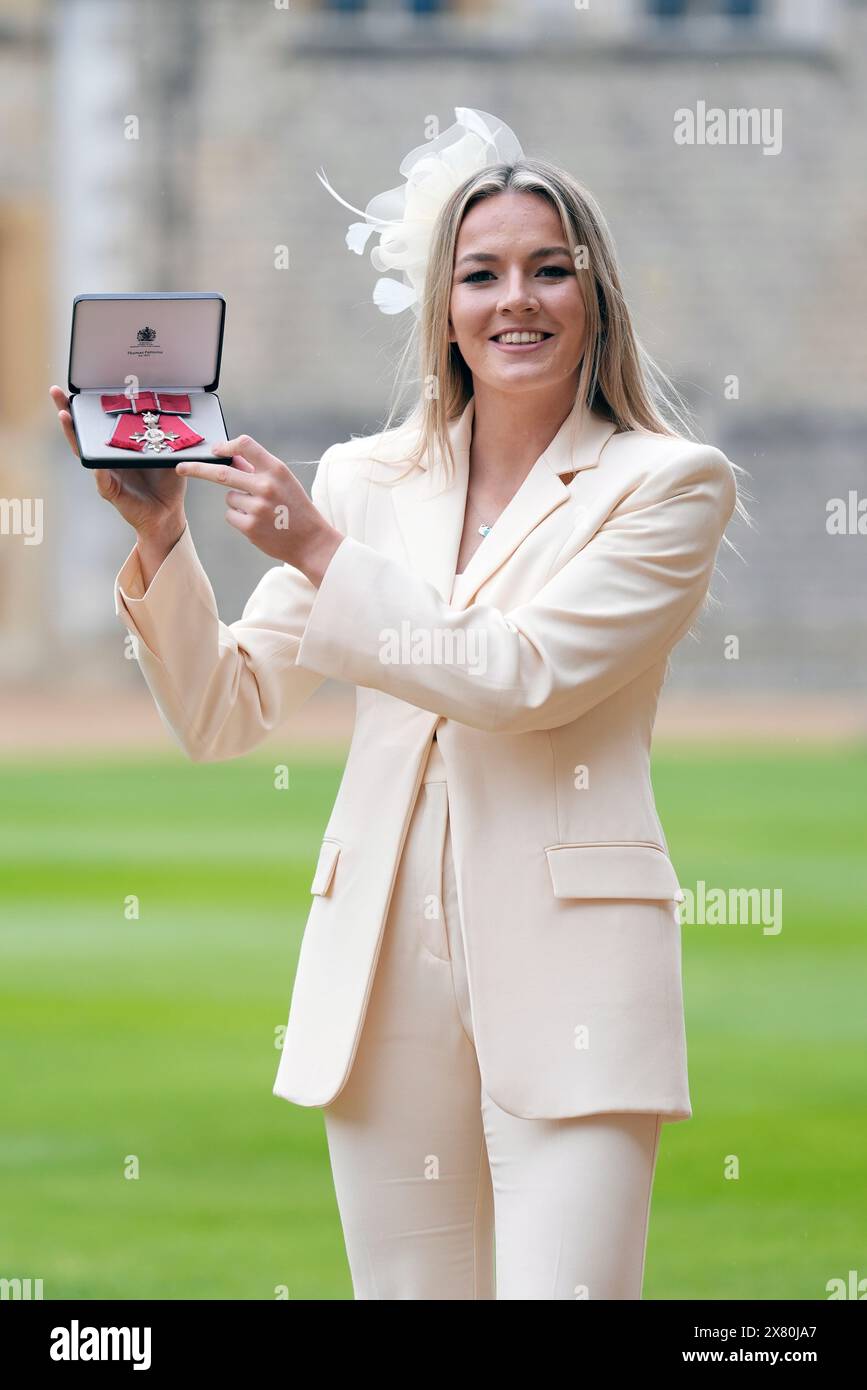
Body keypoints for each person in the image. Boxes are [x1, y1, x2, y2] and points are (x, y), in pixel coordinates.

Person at [50, 108, 748, 1300]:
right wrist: (163, 539)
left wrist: (321, 551)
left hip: (573, 973)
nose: (514, 299)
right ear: (445, 304)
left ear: (597, 297)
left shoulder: (670, 485)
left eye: (548, 270)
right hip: (379, 985)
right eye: (482, 274)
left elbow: (520, 676)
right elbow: (228, 711)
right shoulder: (367, 479)